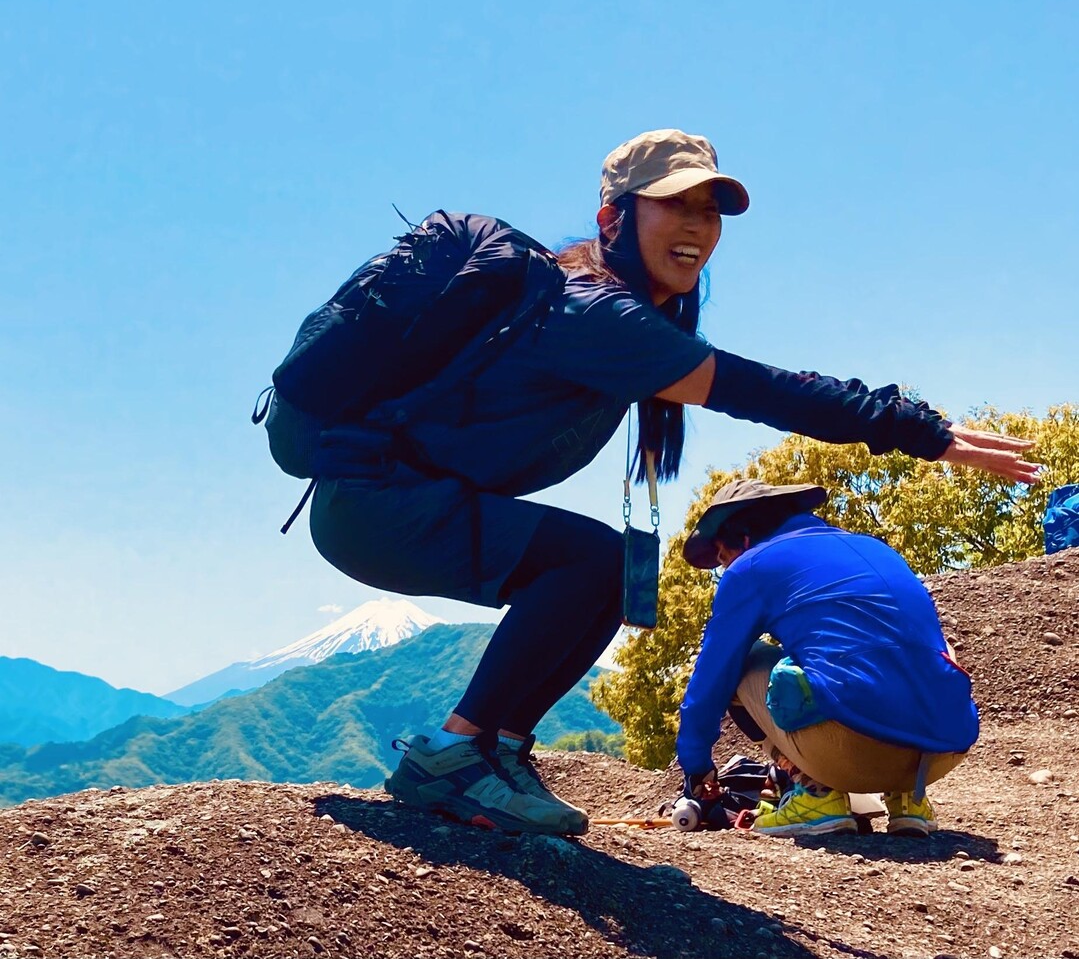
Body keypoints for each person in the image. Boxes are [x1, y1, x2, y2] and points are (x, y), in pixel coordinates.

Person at [307, 127, 1038, 837]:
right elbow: (765, 390)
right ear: (612, 216)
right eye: (674, 203)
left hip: (395, 497)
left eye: (709, 210)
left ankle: (494, 748)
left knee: (605, 568)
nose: (697, 225)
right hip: (376, 501)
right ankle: (459, 752)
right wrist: (915, 429)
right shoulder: (589, 309)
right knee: (589, 561)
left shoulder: (611, 310)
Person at [677, 478, 981, 838]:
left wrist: (696, 768)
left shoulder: (751, 567)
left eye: (723, 559)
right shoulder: (873, 548)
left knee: (743, 658)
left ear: (742, 540)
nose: (725, 569)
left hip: (856, 751)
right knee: (888, 653)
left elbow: (711, 679)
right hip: (942, 750)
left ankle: (817, 795)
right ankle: (909, 803)